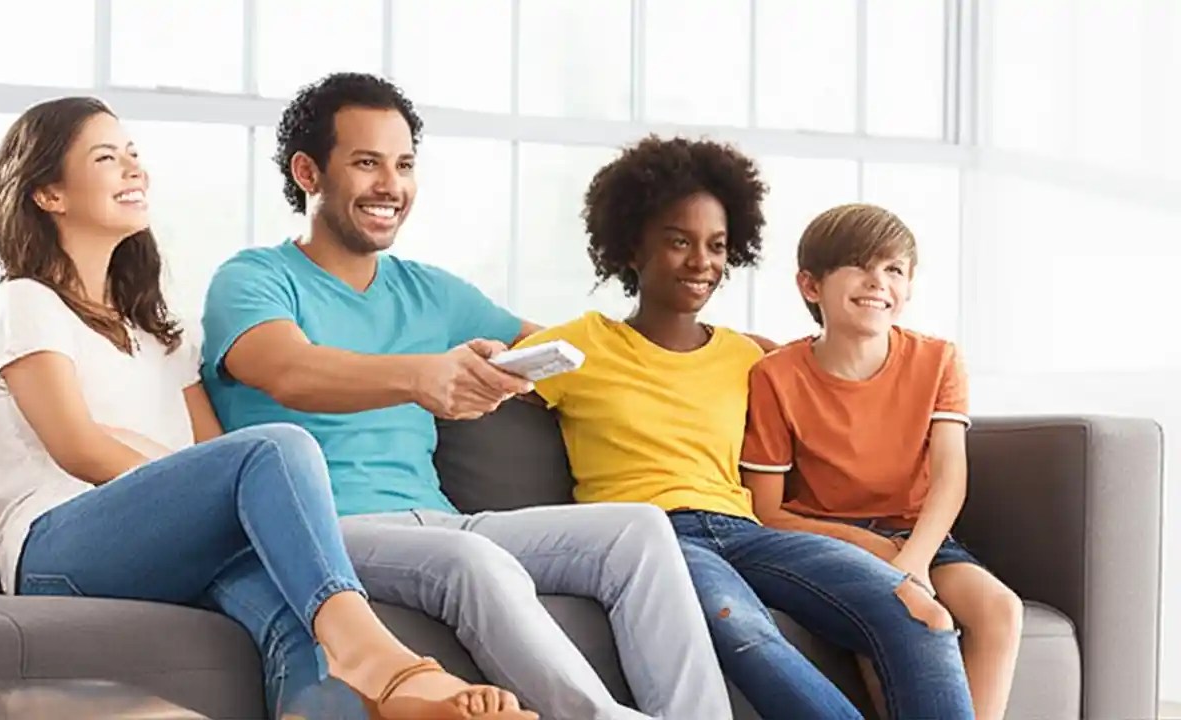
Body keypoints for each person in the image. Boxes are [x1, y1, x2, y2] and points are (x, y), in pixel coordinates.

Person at [0, 96, 535, 720]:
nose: (135, 169)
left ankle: (331, 702)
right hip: (56, 548)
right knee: (275, 444)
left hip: (165, 545)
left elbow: (209, 453)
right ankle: (386, 663)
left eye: (134, 154)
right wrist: (197, 489)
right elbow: (77, 445)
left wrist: (205, 492)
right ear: (49, 194)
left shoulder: (161, 332)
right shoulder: (25, 303)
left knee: (296, 620)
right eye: (107, 157)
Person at [199, 72, 731, 720]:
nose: (390, 186)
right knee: (471, 558)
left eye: (403, 165)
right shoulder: (254, 278)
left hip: (438, 518)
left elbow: (585, 355)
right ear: (308, 172)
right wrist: (422, 375)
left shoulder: (434, 293)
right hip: (324, 532)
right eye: (366, 163)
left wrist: (745, 350)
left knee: (638, 531)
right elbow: (288, 370)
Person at [513, 136, 976, 719]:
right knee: (746, 629)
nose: (701, 261)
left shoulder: (748, 356)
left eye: (717, 246)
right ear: (631, 247)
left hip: (747, 529)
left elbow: (834, 378)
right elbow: (484, 376)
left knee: (921, 614)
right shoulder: (582, 342)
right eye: (679, 241)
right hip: (652, 538)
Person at [741, 202, 1024, 720]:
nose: (878, 281)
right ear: (810, 285)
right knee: (897, 622)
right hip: (827, 542)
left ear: (909, 286)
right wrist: (870, 549)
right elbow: (767, 511)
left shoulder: (938, 359)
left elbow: (949, 480)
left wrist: (913, 560)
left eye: (893, 269)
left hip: (920, 537)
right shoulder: (775, 376)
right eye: (859, 265)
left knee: (1000, 609)